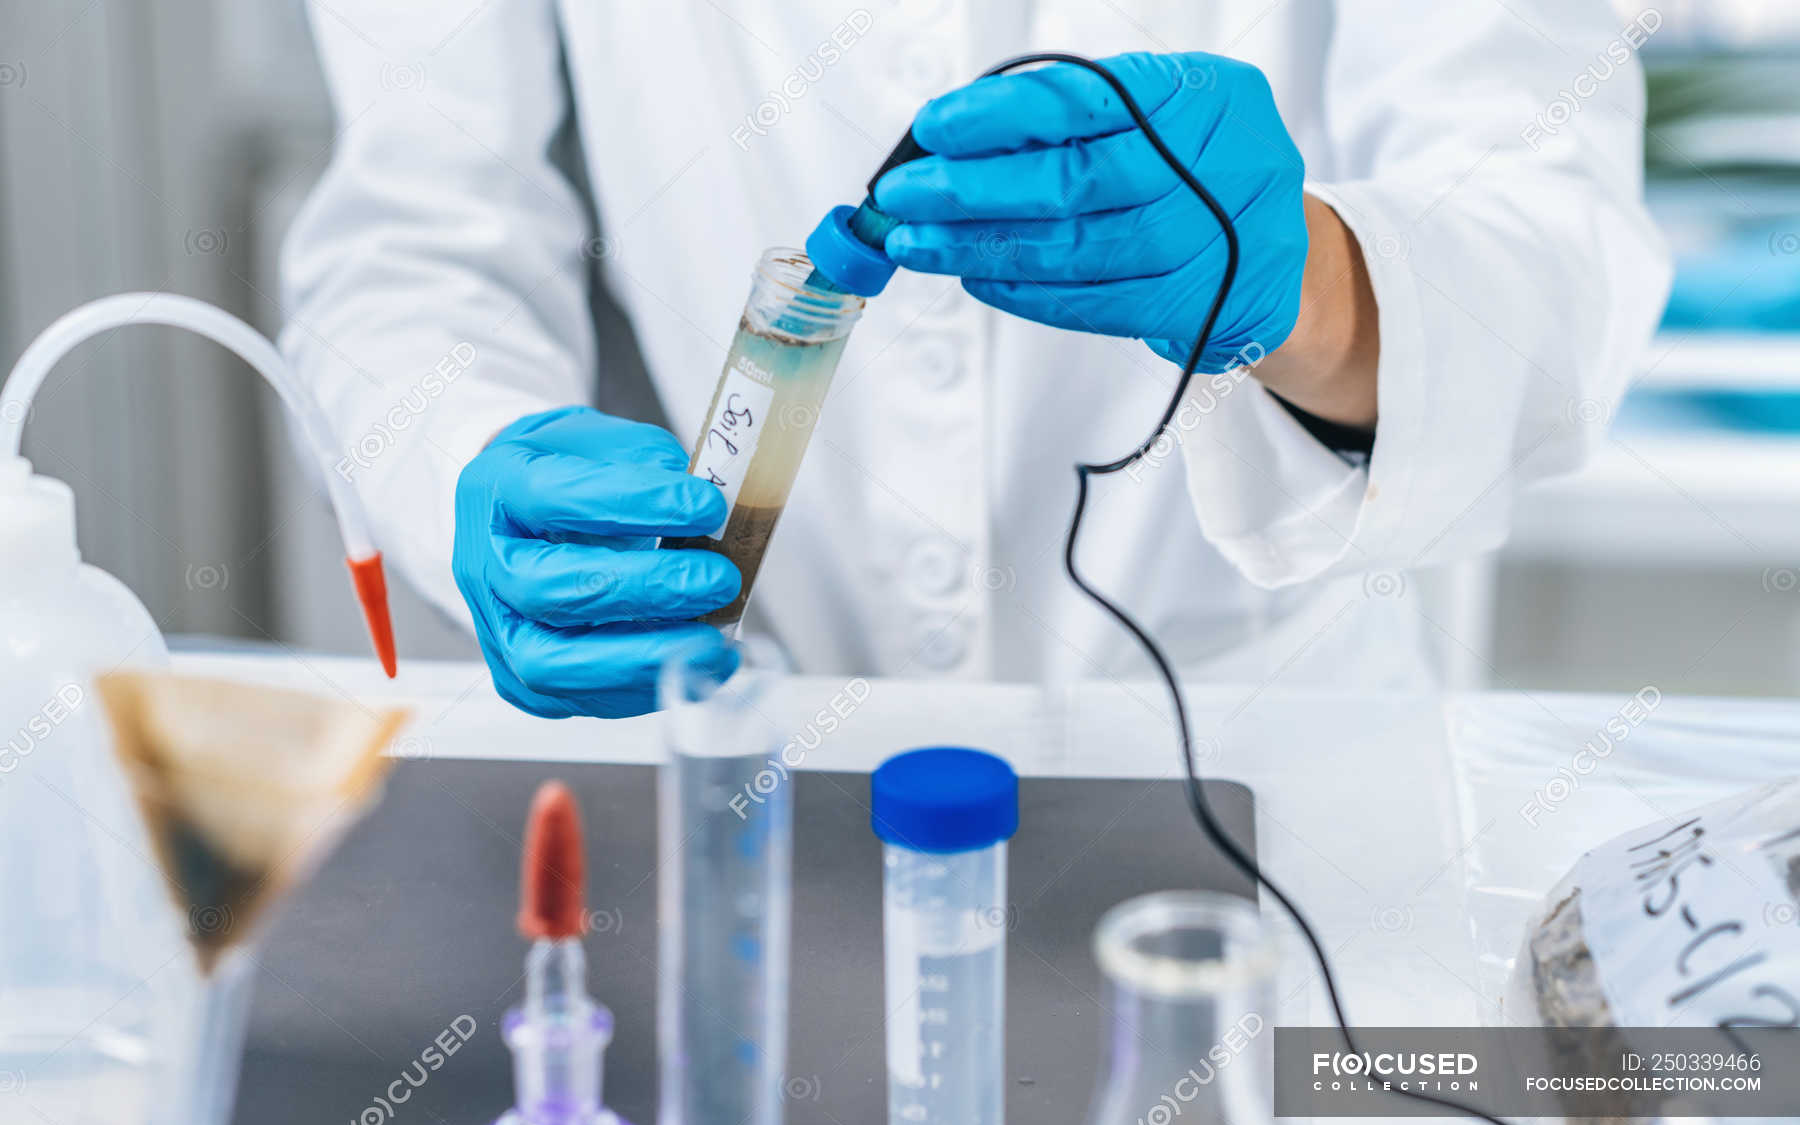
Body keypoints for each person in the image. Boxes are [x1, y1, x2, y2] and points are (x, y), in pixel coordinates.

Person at [282, 1, 1668, 718]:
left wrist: (1302, 283)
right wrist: (468, 448)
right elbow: (415, 228)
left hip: (1276, 783)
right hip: (768, 746)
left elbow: (1553, 246)